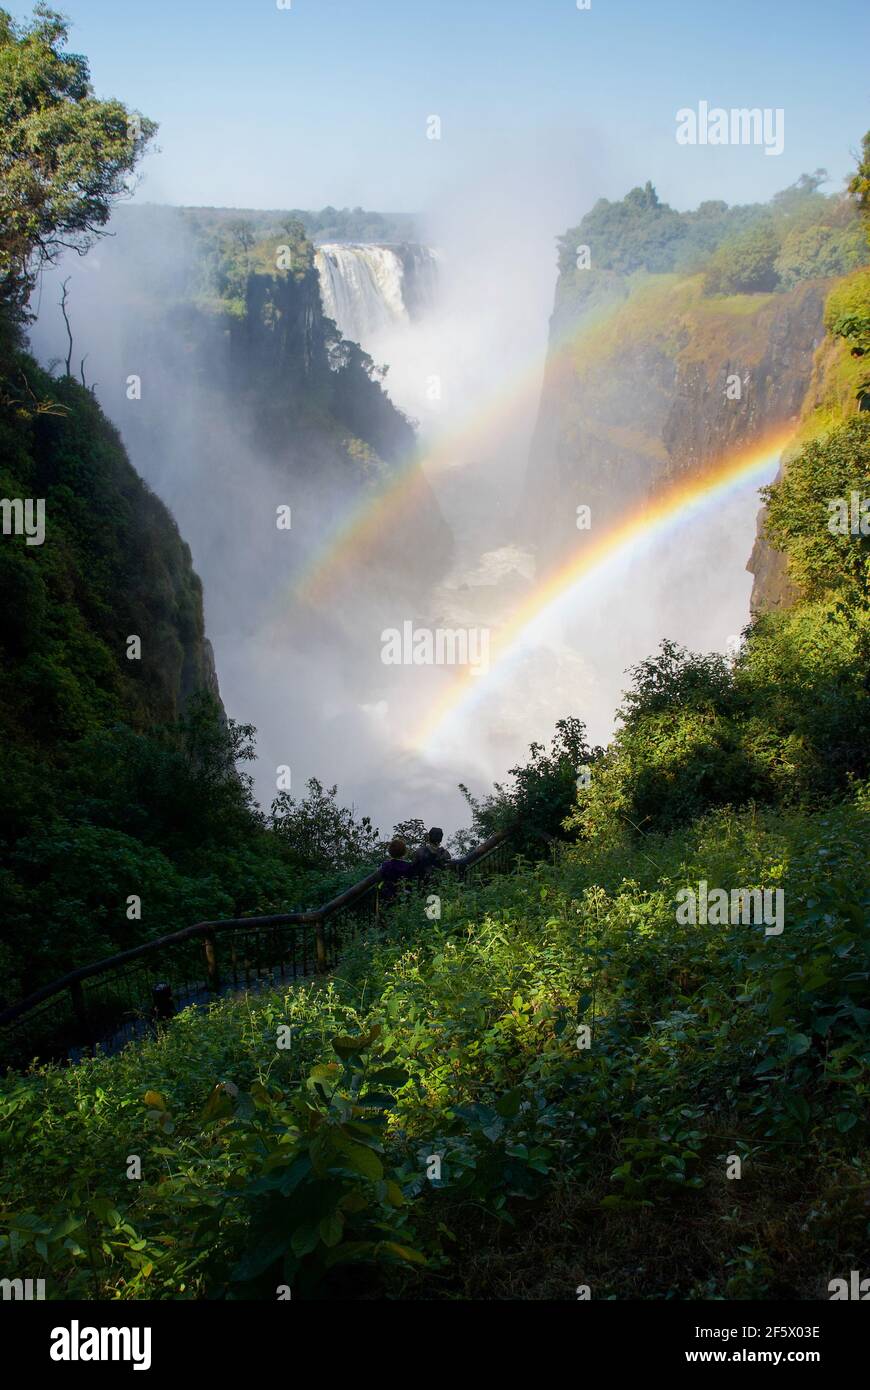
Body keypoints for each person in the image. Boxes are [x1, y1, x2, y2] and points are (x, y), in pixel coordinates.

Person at [378, 836, 416, 906]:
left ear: (390, 851)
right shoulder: (409, 866)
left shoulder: (386, 865)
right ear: (404, 851)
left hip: (388, 897)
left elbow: (381, 876)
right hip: (404, 898)